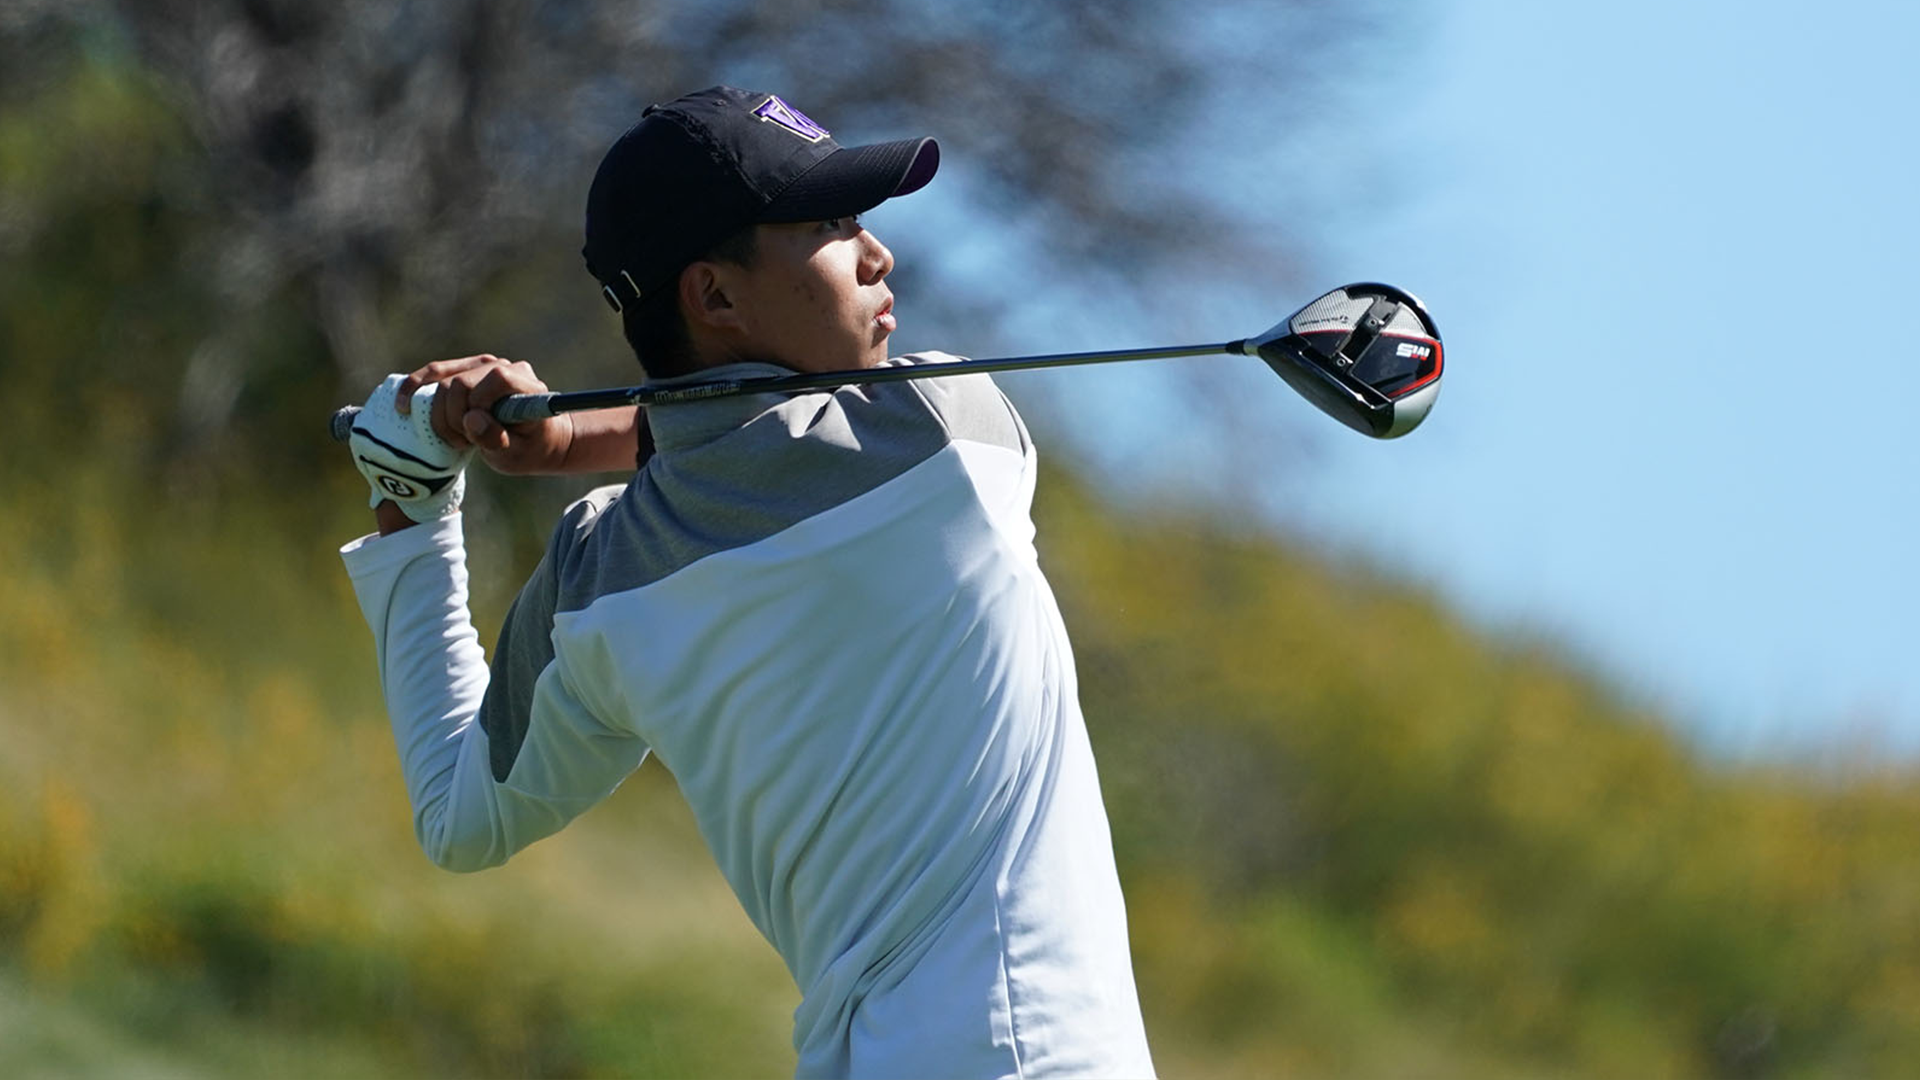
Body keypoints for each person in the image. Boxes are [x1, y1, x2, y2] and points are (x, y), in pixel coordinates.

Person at [340, 85, 1156, 1079]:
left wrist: (414, 505)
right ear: (715, 296)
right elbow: (761, 442)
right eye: (828, 226)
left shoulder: (597, 584)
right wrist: (567, 444)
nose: (876, 254)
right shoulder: (949, 436)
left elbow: (460, 819)